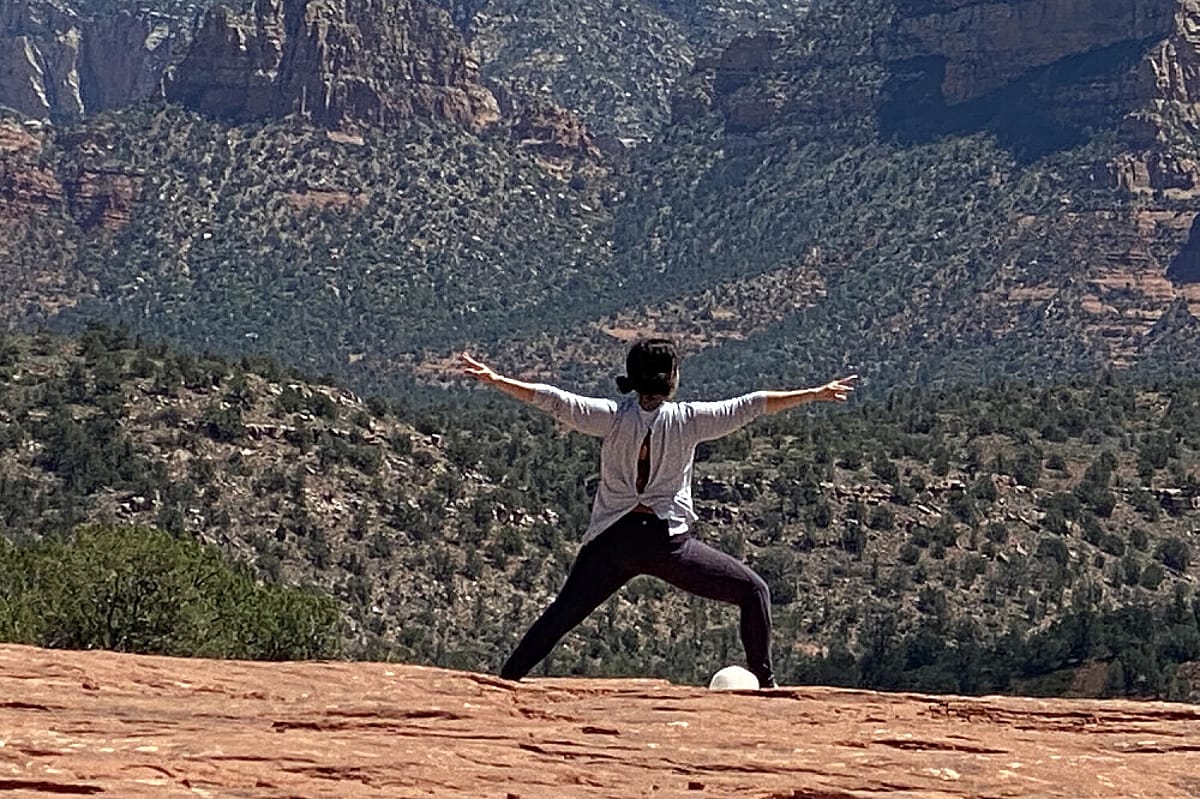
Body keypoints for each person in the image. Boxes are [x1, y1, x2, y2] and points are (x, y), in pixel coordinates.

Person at [460, 339, 856, 688]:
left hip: (611, 540)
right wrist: (815, 393)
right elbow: (755, 404)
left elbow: (554, 400)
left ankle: (505, 681)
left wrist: (496, 380)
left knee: (561, 614)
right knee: (754, 591)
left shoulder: (611, 416)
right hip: (665, 541)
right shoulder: (690, 420)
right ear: (671, 378)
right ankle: (765, 686)